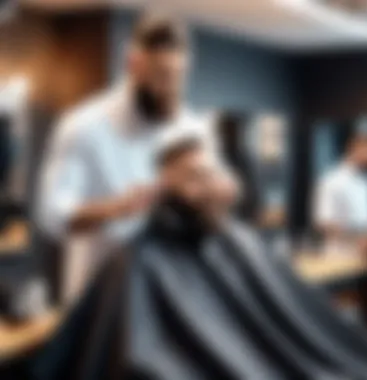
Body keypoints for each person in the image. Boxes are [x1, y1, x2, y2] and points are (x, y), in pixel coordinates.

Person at [37, 13, 236, 305]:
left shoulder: (194, 128)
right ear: (133, 65)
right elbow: (52, 215)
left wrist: (220, 191)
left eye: (178, 78)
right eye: (161, 77)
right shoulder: (83, 127)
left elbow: (223, 189)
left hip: (171, 295)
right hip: (100, 299)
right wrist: (115, 208)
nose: (171, 93)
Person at [313, 133, 367, 255]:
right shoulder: (332, 180)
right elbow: (324, 223)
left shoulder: (366, 183)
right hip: (341, 255)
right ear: (355, 149)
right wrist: (357, 239)